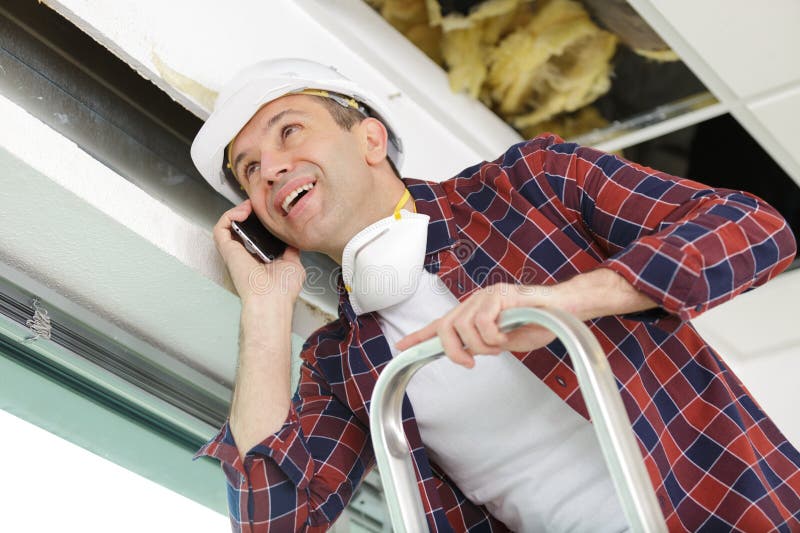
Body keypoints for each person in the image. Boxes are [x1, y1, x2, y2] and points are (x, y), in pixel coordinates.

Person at [190, 58, 800, 532]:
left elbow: (754, 229)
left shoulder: (529, 186)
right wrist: (266, 305)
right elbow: (275, 519)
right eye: (249, 170)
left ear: (371, 139)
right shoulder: (340, 363)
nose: (270, 168)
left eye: (289, 131)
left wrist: (563, 303)